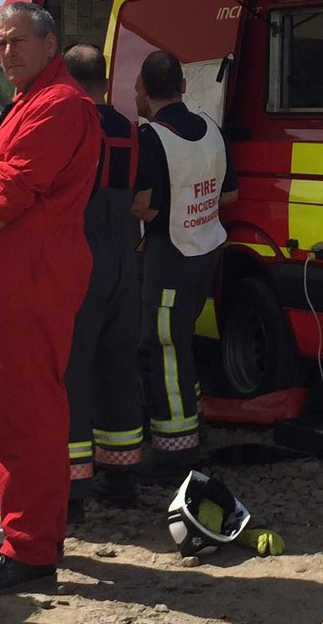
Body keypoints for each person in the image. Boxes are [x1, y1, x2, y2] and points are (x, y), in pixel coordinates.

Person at [0, 3, 99, 593]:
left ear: (50, 41)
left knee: (27, 411)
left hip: (30, 277)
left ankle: (30, 549)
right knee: (27, 408)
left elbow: (10, 194)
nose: (5, 53)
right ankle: (32, 530)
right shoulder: (33, 101)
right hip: (19, 275)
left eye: (16, 42)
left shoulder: (56, 104)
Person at [130, 49, 236, 468]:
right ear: (184, 87)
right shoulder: (211, 128)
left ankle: (176, 444)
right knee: (181, 341)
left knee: (161, 344)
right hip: (206, 248)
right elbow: (229, 193)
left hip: (169, 255)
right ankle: (192, 419)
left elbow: (144, 207)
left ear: (144, 91)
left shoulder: (151, 137)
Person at [60, 44, 142, 514]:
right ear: (107, 83)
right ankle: (122, 479)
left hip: (80, 254)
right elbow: (142, 198)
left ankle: (71, 489)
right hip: (124, 256)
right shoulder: (132, 130)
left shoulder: (70, 123)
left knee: (71, 369)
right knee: (117, 365)